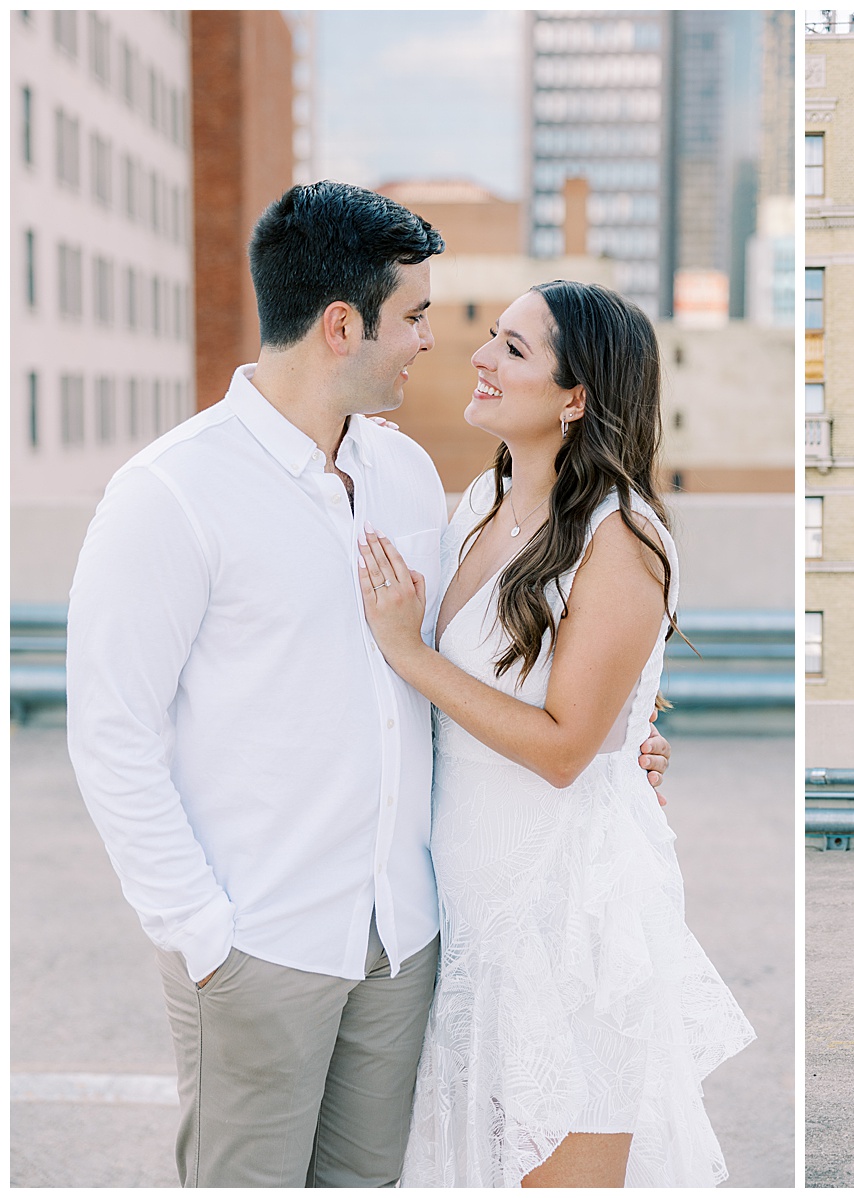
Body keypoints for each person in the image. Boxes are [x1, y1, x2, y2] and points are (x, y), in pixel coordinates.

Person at [65, 182, 670, 1187]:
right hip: (263, 945)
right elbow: (111, 737)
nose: (437, 342)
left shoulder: (407, 477)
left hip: (407, 949)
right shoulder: (170, 494)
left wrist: (624, 741)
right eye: (417, 316)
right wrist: (206, 938)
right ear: (341, 325)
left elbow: (512, 655)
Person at [354, 280, 754, 1187]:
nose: (482, 358)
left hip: (560, 914)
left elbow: (567, 749)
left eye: (515, 349)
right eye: (491, 337)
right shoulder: (479, 507)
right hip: (469, 905)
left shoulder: (621, 539)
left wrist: (405, 650)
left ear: (576, 397)